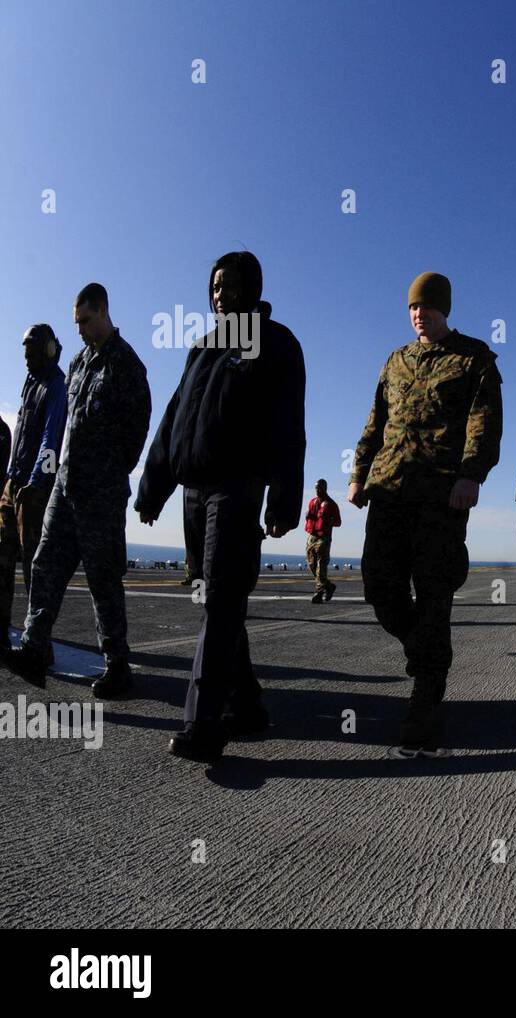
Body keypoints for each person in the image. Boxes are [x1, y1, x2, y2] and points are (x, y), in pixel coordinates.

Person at [137, 252, 306, 761]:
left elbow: (289, 427)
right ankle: (247, 704)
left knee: (221, 600)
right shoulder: (202, 349)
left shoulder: (276, 344)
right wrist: (153, 487)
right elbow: (174, 420)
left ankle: (203, 724)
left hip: (238, 489)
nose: (218, 294)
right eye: (212, 286)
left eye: (228, 286)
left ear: (252, 288)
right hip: (194, 492)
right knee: (215, 599)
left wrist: (284, 498)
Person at [349, 272, 502, 759]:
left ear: (445, 310)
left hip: (441, 496)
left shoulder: (474, 357)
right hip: (388, 492)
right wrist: (359, 472)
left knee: (434, 594)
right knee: (379, 585)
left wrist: (470, 475)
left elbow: (485, 421)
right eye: (414, 307)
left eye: (429, 307)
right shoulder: (395, 361)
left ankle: (426, 694)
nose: (420, 313)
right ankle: (427, 657)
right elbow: (376, 420)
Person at [3, 284, 150, 697]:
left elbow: (137, 428)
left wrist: (109, 471)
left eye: (85, 320)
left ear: (102, 310)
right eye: (76, 323)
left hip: (100, 492)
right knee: (45, 563)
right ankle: (34, 648)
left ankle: (117, 665)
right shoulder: (80, 361)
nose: (80, 329)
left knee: (103, 580)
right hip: (65, 485)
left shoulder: (126, 364)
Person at [0, 324, 66, 636]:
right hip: (13, 483)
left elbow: (51, 440)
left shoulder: (56, 385)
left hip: (33, 489)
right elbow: (21, 433)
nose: (26, 361)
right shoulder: (30, 380)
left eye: (31, 355)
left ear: (48, 351)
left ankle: (37, 640)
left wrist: (38, 481)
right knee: (2, 557)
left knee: (33, 568)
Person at [304, 478, 341, 604]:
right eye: (315, 488)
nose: (317, 490)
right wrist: (307, 515)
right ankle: (329, 586)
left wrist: (327, 521)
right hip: (312, 536)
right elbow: (309, 518)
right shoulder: (312, 502)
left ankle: (319, 593)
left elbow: (338, 522)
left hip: (323, 537)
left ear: (325, 488)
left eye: (319, 488)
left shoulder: (331, 504)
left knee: (321, 566)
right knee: (311, 565)